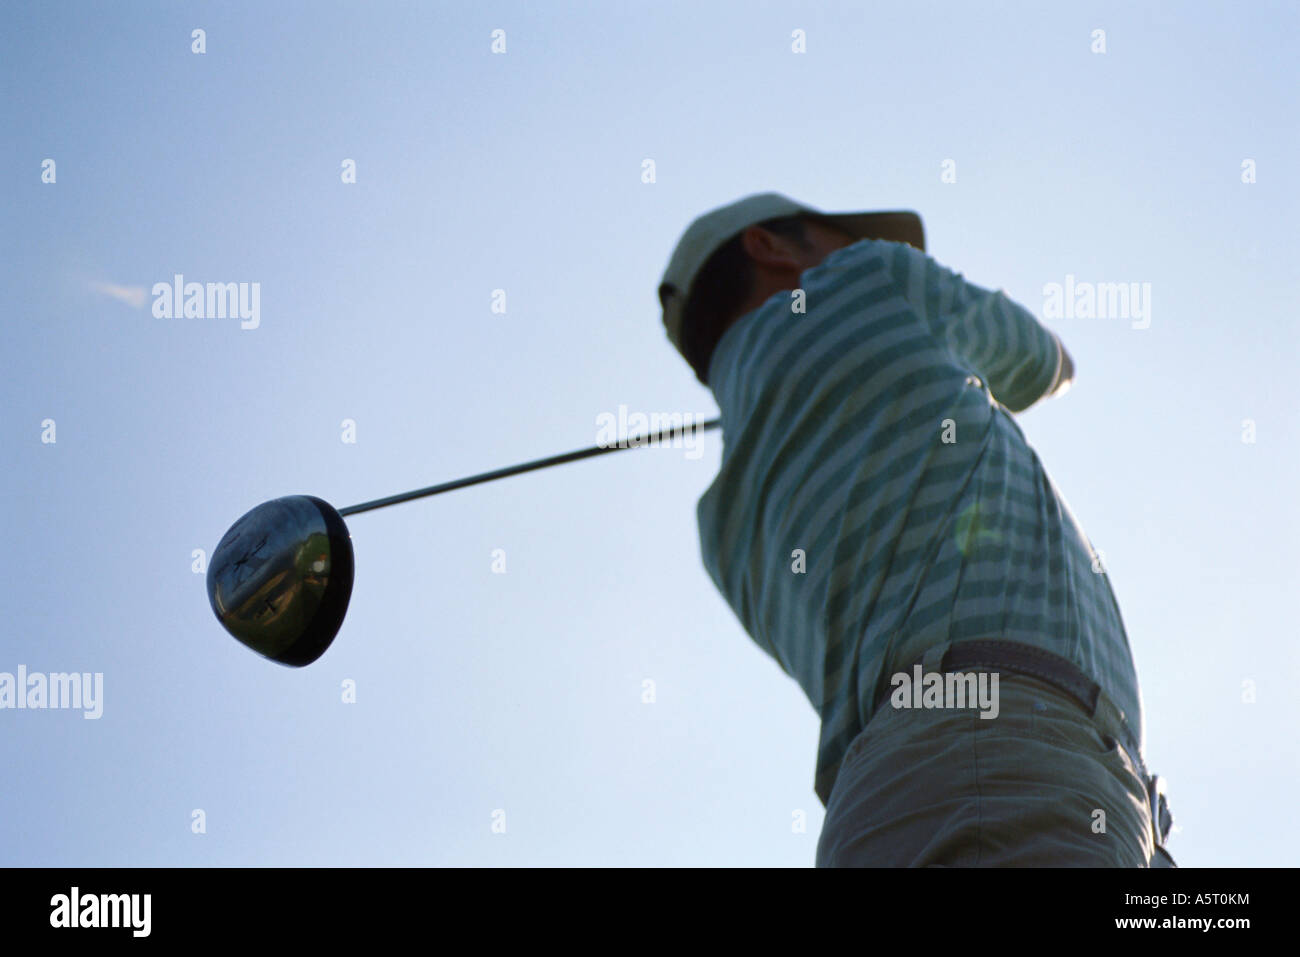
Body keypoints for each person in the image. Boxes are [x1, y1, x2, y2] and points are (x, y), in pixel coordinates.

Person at [657, 192, 1175, 866]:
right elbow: (1045, 358)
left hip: (905, 795)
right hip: (1005, 759)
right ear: (769, 246)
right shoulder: (864, 278)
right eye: (833, 237)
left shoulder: (721, 529)